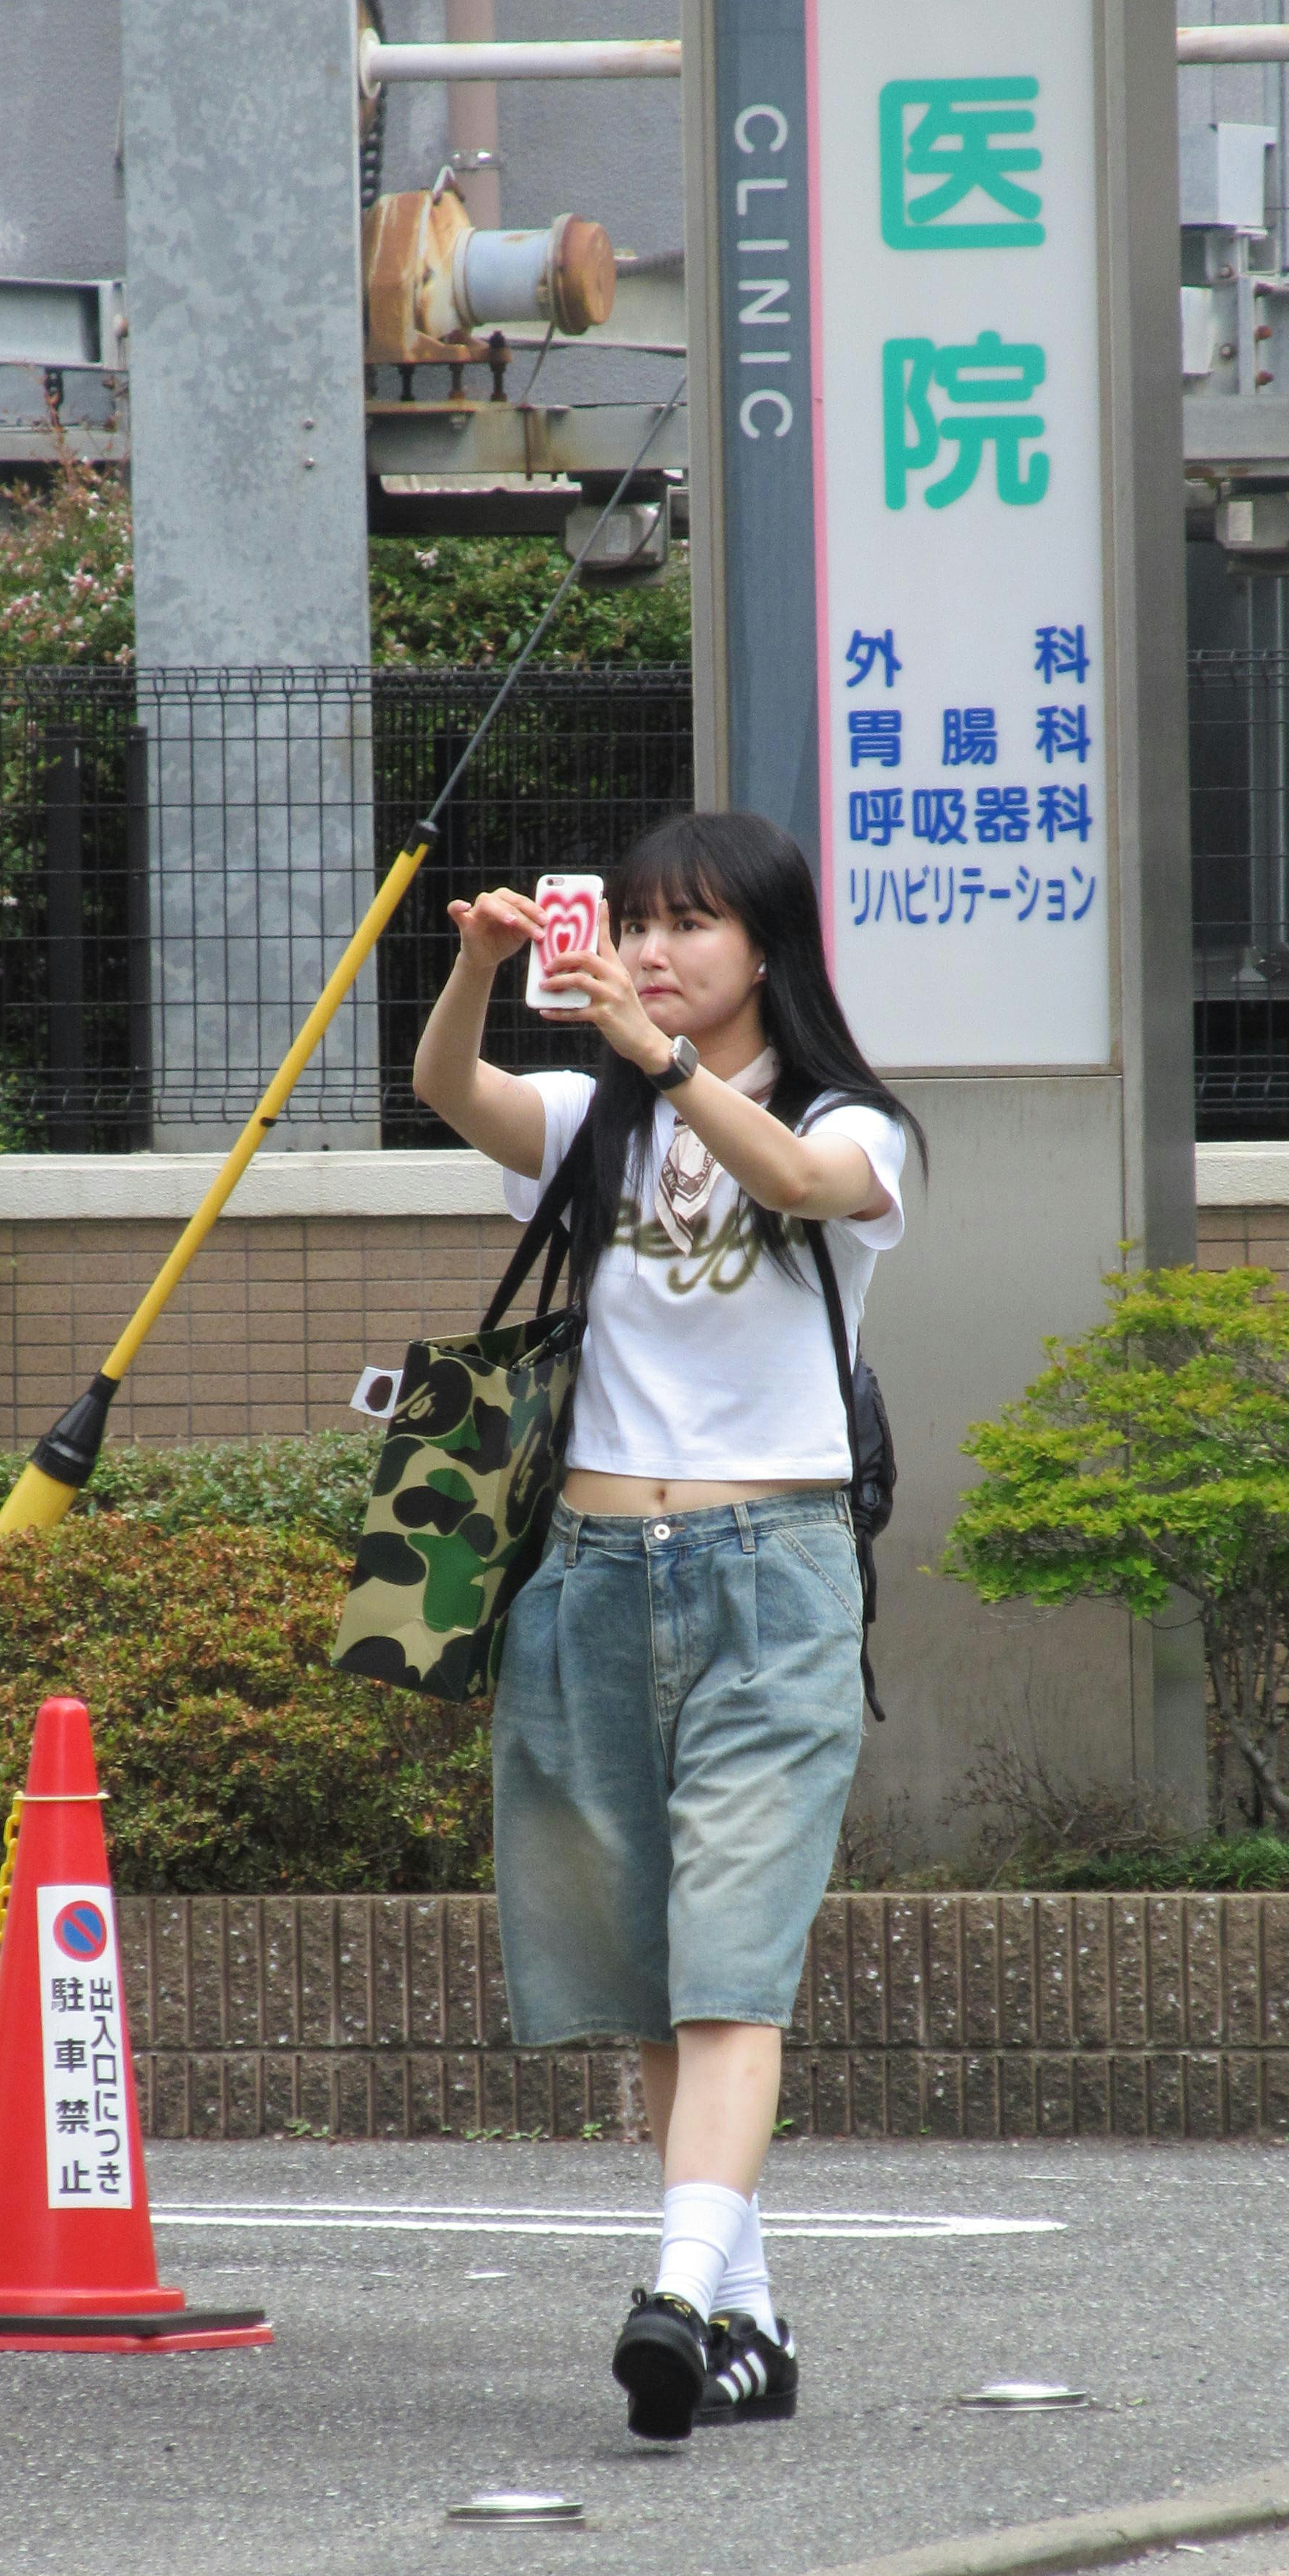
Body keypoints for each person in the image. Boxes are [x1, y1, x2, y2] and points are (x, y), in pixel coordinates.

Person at [411, 810, 919, 2442]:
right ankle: (742, 2317)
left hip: (776, 1577)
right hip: (592, 1572)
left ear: (764, 948)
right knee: (646, 1971)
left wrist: (661, 1060)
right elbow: (452, 1094)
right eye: (635, 923)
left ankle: (678, 2294)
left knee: (735, 1967)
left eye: (690, 926)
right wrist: (482, 974)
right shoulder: (590, 1118)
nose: (654, 951)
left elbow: (801, 1182)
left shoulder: (856, 1124)